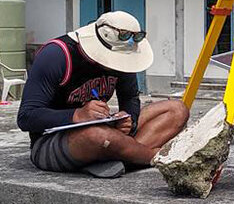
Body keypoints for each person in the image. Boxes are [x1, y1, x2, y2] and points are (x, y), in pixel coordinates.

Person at [17, 11, 189, 178]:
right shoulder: (57, 55)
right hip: (55, 141)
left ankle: (118, 157)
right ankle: (158, 158)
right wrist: (77, 115)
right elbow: (26, 117)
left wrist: (129, 119)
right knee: (97, 136)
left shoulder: (124, 57)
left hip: (107, 131)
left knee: (177, 109)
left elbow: (129, 97)